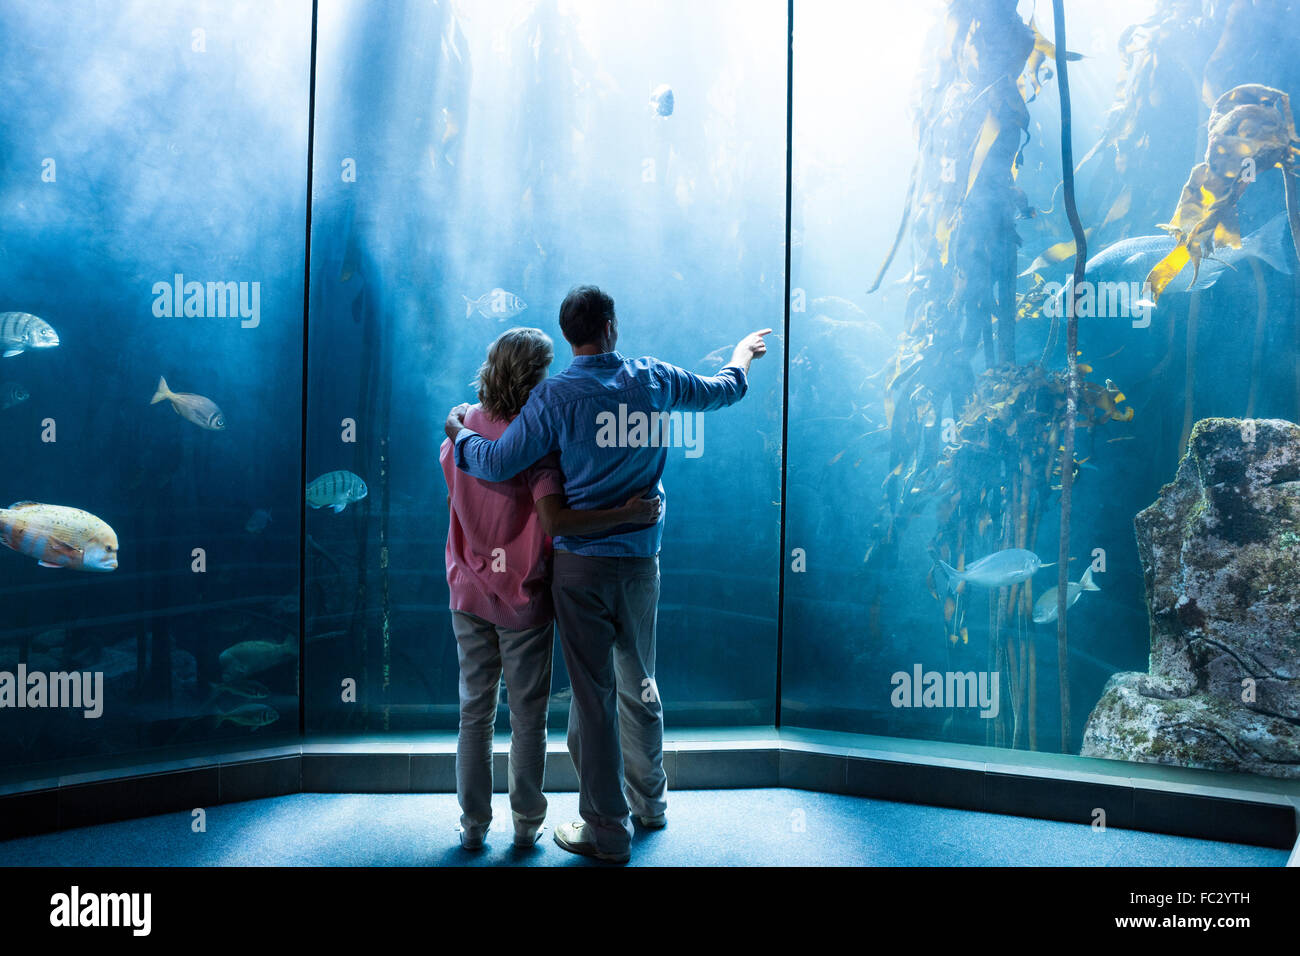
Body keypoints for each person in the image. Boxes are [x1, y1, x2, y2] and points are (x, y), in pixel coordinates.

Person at [445, 285, 770, 862]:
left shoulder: (552, 399)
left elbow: (495, 461)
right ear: (612, 326)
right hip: (640, 563)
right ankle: (652, 805)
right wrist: (742, 355)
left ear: (568, 335)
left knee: (592, 699)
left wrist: (458, 433)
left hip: (577, 570)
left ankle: (605, 827)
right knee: (640, 684)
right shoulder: (653, 378)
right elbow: (725, 391)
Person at [439, 326, 660, 851]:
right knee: (528, 715)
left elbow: (455, 477)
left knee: (474, 711)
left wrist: (458, 422)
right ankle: (524, 822)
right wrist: (625, 513)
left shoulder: (464, 425)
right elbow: (555, 517)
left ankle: (472, 828)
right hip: (526, 599)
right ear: (536, 377)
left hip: (468, 593)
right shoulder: (538, 443)